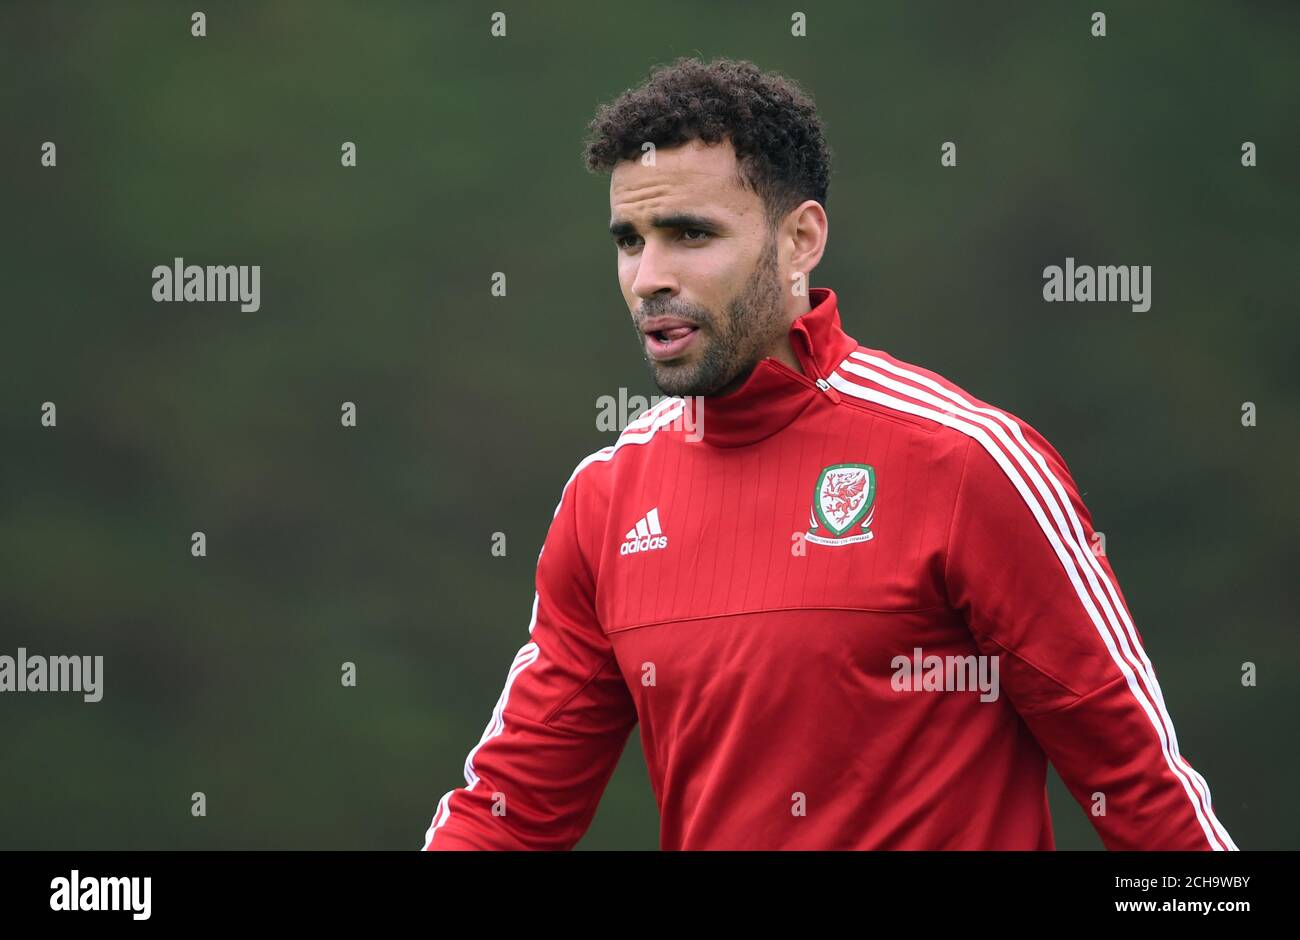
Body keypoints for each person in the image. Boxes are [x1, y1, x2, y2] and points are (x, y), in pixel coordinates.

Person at [420, 57, 1236, 850]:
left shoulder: (967, 462)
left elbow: (1140, 787)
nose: (647, 277)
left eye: (689, 234)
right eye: (630, 241)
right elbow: (510, 811)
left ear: (800, 239)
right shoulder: (608, 501)